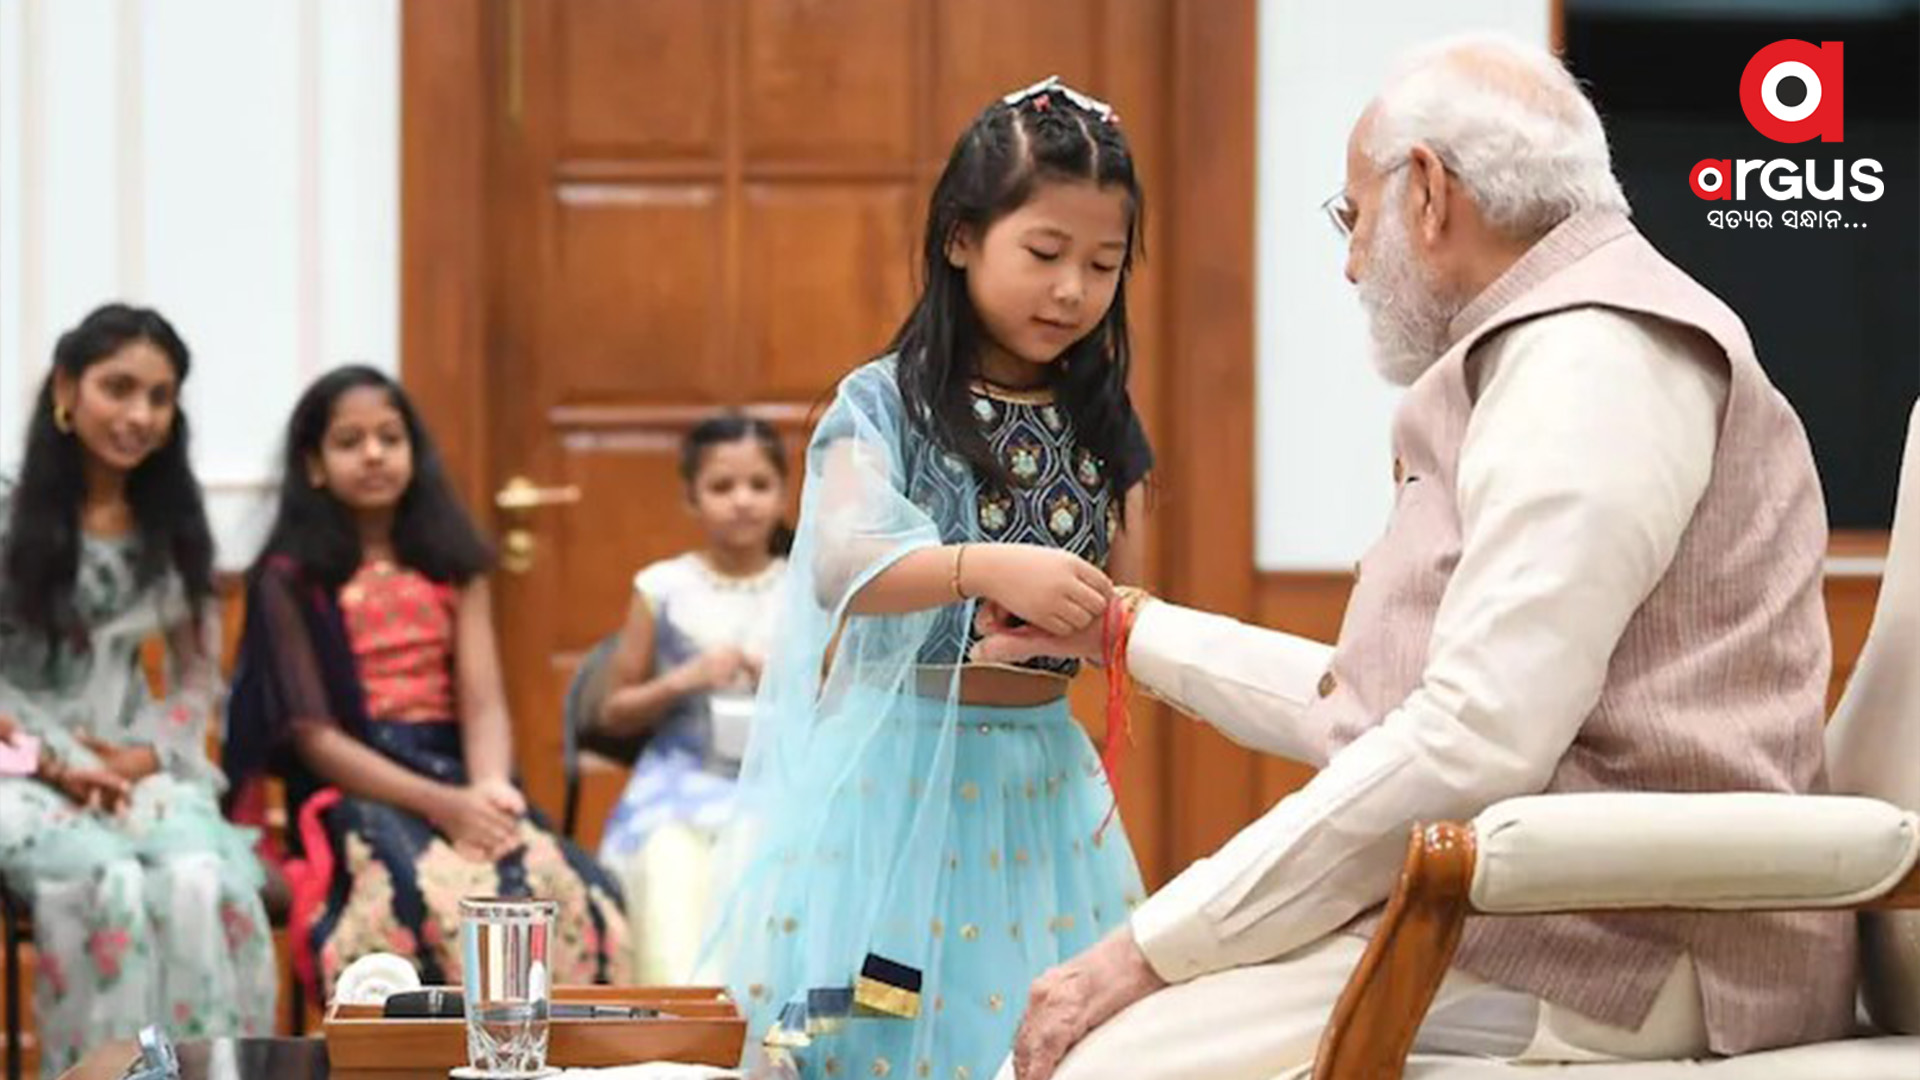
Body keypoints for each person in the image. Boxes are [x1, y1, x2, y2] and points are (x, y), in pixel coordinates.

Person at [977, 36, 1853, 1080]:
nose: (1351, 263)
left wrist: (1146, 951)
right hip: (1544, 913)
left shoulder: (1592, 361)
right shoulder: (1553, 348)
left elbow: (1471, 737)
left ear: (1429, 194)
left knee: (1091, 1061)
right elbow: (1395, 710)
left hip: (1624, 951)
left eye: (1354, 218)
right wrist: (1124, 632)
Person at [703, 76, 1156, 1080]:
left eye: (1102, 265)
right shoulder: (886, 401)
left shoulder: (1102, 416)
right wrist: (980, 567)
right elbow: (842, 562)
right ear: (960, 238)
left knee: (1052, 1036)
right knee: (882, 1029)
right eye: (1044, 254)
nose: (1072, 291)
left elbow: (1127, 598)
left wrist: (1100, 623)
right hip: (900, 781)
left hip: (1043, 778)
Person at [224, 365, 630, 997]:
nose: (374, 454)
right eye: (350, 441)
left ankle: (531, 1048)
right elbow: (315, 738)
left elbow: (483, 701)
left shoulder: (451, 564)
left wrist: (490, 789)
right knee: (413, 897)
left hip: (457, 774)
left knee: (569, 891)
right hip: (355, 787)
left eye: (390, 438)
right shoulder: (290, 579)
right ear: (314, 465)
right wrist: (444, 807)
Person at [0, 303, 276, 1076]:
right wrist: (59, 763)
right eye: (118, 388)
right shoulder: (9, 514)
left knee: (199, 879)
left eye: (159, 397)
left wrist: (144, 757)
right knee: (108, 879)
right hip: (17, 763)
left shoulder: (172, 524)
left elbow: (197, 675)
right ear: (67, 388)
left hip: (130, 762)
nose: (139, 415)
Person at [596, 414, 792, 984]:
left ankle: (757, 1024)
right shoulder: (662, 588)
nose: (742, 501)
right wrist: (683, 679)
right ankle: (678, 1012)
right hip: (679, 782)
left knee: (761, 866)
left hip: (779, 781)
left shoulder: (806, 588)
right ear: (691, 497)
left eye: (759, 485)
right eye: (722, 486)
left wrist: (785, 678)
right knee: (668, 870)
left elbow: (845, 699)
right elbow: (612, 711)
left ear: (784, 493)